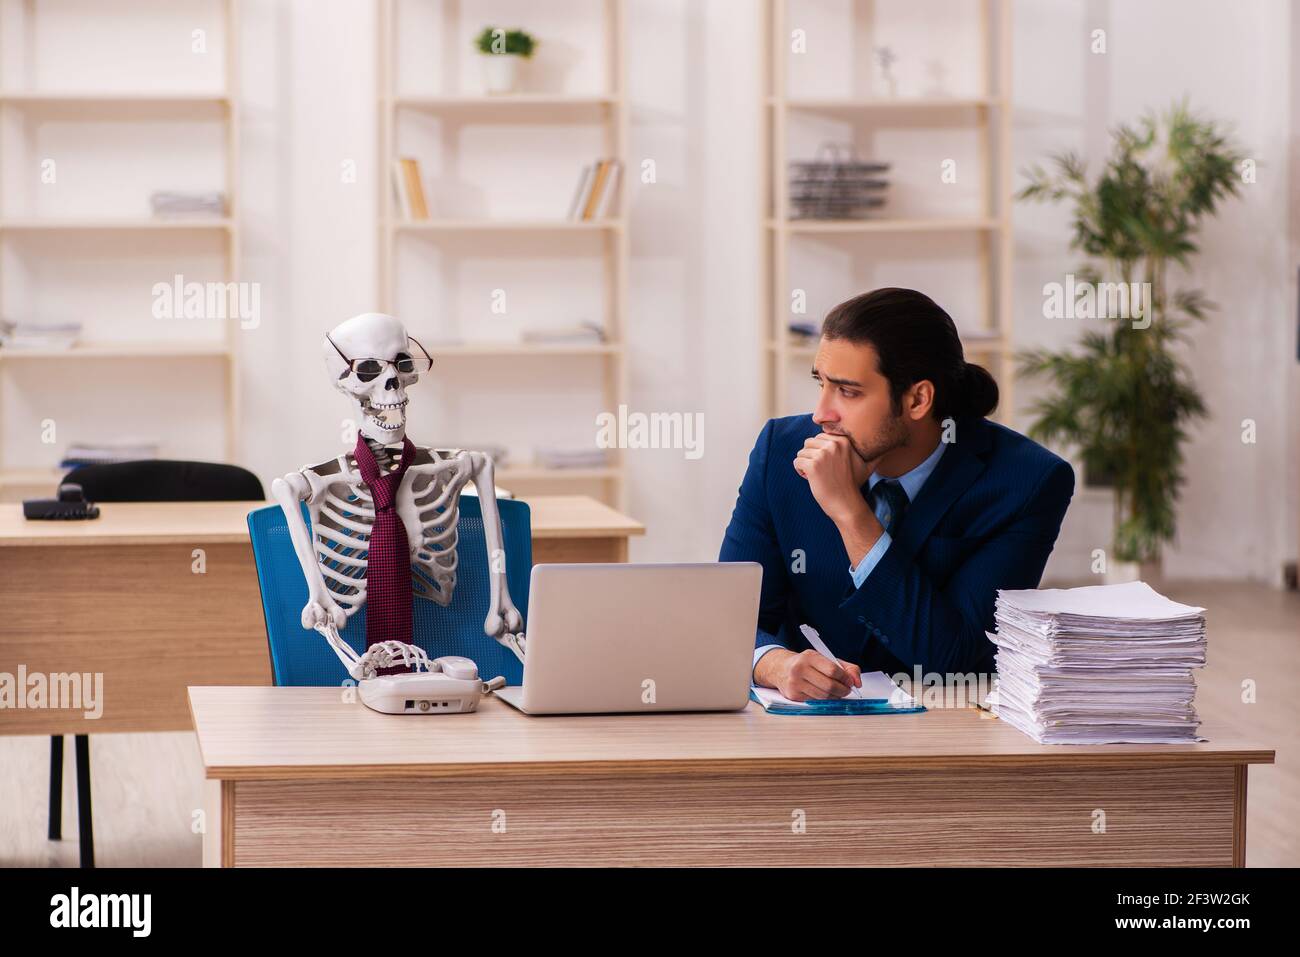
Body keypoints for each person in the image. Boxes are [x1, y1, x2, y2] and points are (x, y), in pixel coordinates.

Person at [720, 288, 1075, 701]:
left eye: (848, 392)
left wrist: (851, 514)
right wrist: (774, 663)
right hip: (800, 724)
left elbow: (953, 657)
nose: (821, 414)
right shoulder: (781, 450)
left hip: (949, 729)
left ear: (917, 399)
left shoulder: (1027, 481)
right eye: (821, 383)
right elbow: (731, 616)